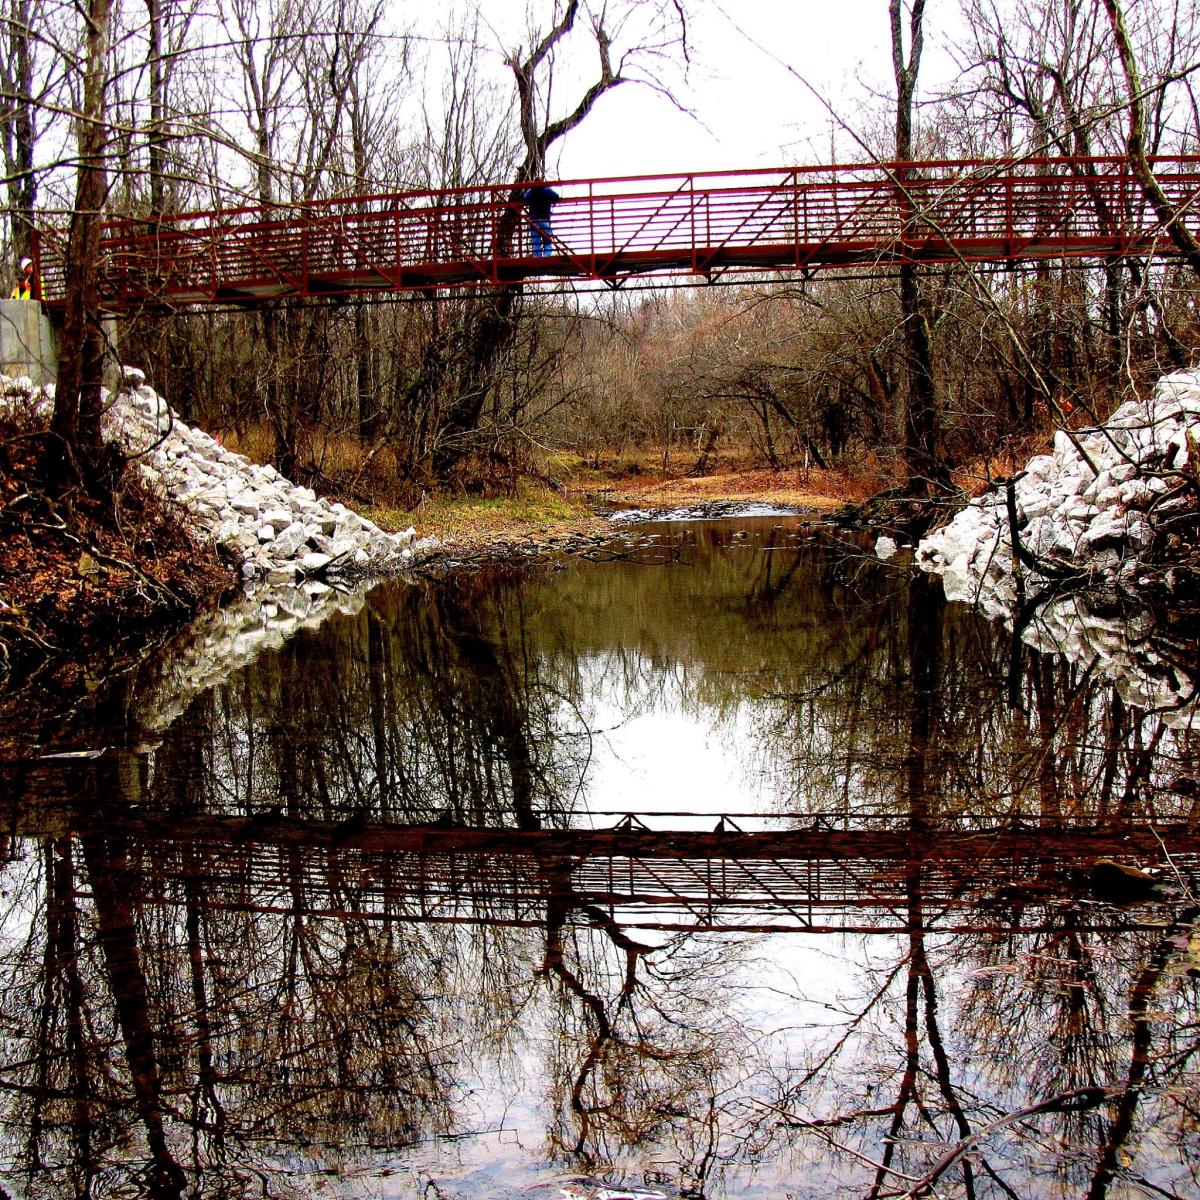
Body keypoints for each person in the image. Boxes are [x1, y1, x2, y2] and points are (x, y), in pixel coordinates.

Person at [521, 184, 560, 257]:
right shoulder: (547, 190)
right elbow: (556, 197)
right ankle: (546, 256)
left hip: (534, 219)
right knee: (547, 240)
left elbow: (525, 199)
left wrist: (526, 190)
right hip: (544, 218)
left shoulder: (531, 191)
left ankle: (537, 258)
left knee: (536, 241)